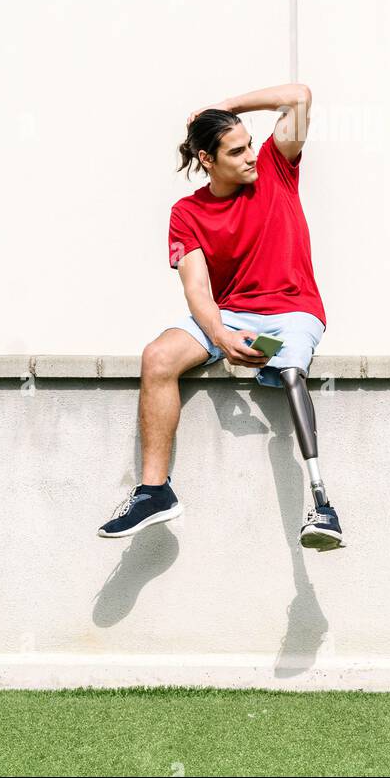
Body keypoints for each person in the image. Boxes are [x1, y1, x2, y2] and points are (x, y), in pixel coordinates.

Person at [97, 82, 344, 551]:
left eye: (249, 143)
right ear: (208, 160)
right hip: (231, 316)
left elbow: (300, 96)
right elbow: (197, 289)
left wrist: (226, 107)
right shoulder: (187, 213)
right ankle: (154, 492)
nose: (251, 155)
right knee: (158, 357)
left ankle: (323, 504)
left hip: (293, 313)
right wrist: (220, 333)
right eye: (236, 150)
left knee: (291, 369)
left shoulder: (276, 165)